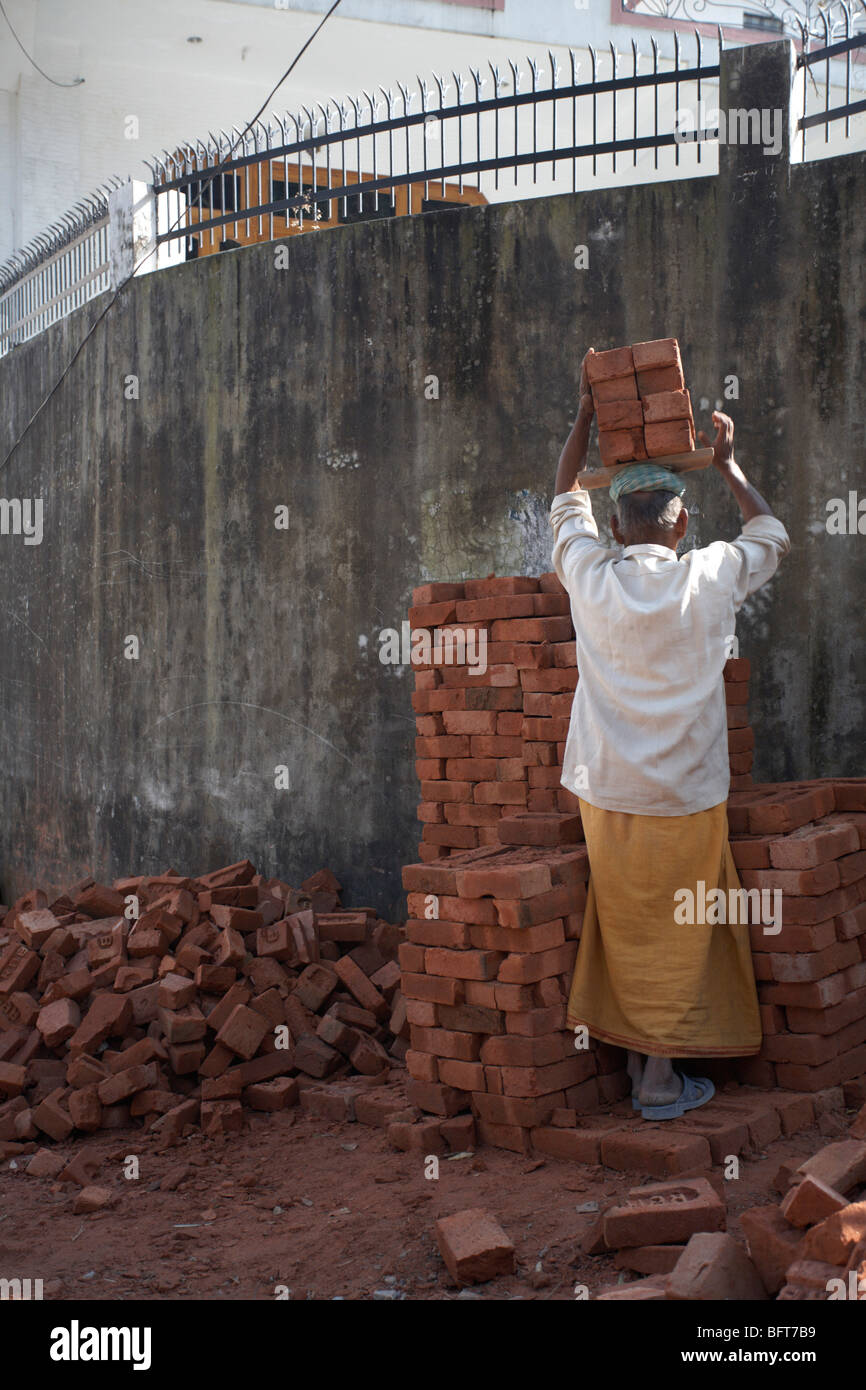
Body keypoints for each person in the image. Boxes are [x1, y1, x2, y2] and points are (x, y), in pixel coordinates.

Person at [550, 348, 790, 1120]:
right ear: (681, 522)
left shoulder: (590, 574)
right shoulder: (710, 572)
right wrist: (729, 465)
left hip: (609, 789)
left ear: (616, 524)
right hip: (685, 792)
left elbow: (562, 496)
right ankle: (657, 1078)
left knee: (624, 924)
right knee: (681, 932)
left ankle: (638, 1068)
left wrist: (587, 418)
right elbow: (773, 534)